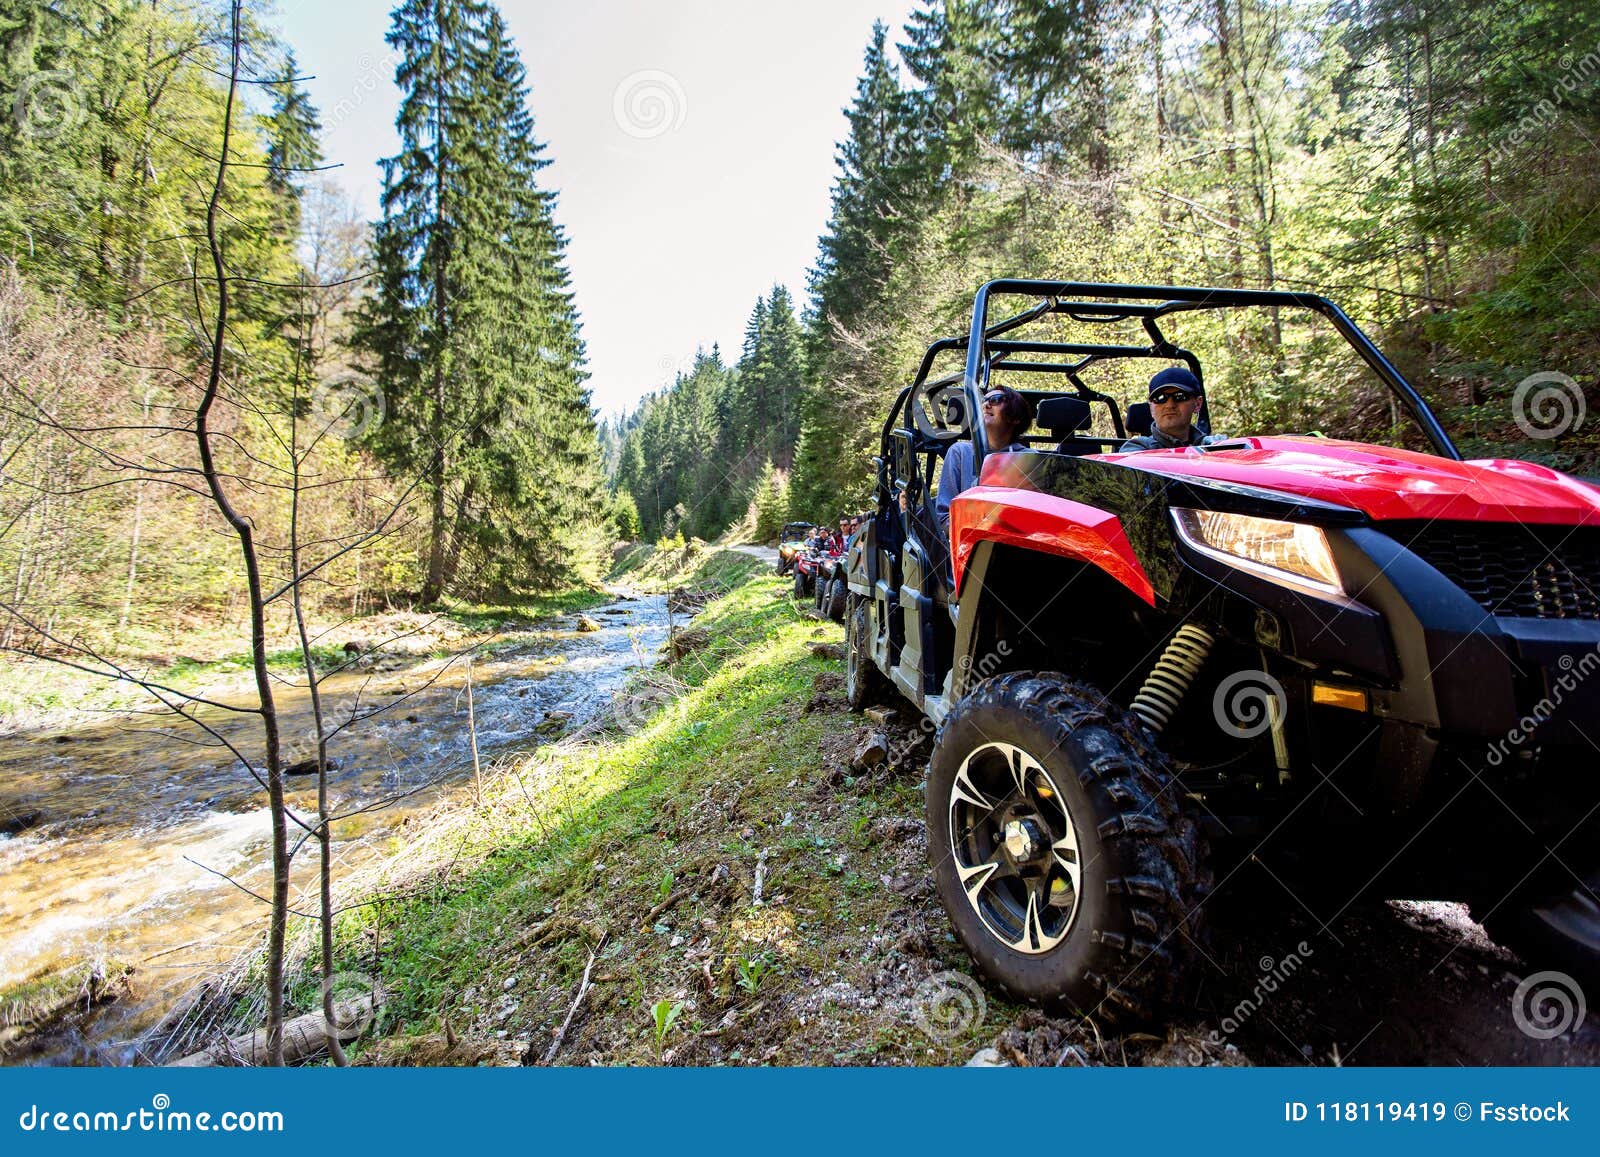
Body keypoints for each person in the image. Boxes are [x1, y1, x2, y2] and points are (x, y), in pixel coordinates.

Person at [897, 385, 1033, 538]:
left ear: (1015, 417)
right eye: (983, 400)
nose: (986, 404)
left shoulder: (1030, 459)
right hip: (971, 543)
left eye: (996, 400)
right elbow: (944, 517)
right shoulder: (961, 453)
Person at [1119, 367, 1224, 451]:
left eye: (1179, 396)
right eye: (1160, 398)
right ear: (1151, 407)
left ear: (1197, 404)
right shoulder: (1135, 451)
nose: (1170, 405)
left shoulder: (1217, 446)